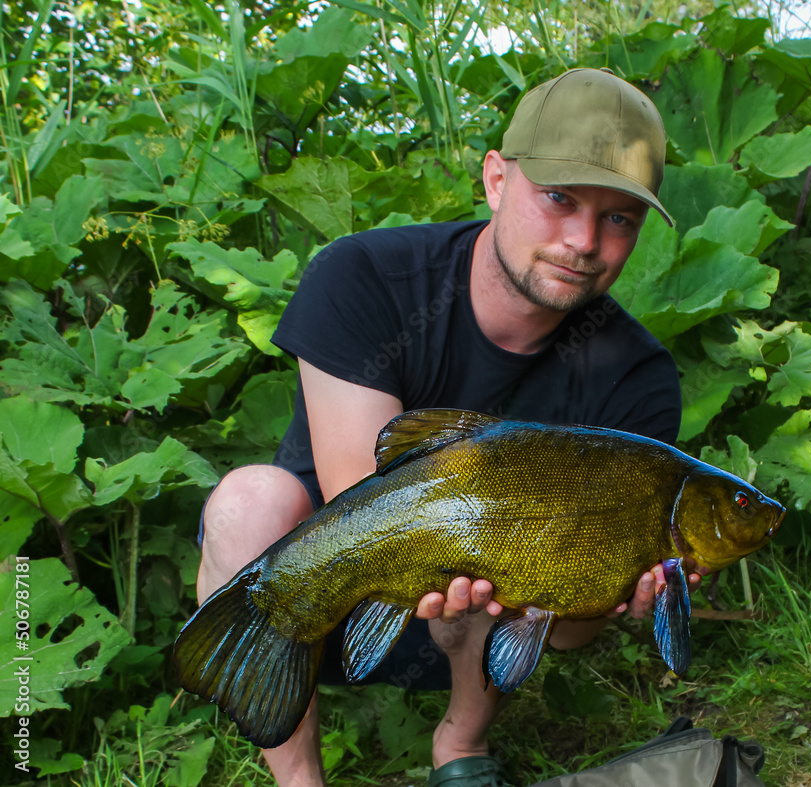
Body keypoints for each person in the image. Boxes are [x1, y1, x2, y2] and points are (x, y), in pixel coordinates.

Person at [195, 67, 700, 787]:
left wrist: (624, 585)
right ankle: (299, 777)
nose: (584, 239)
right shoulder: (362, 276)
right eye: (559, 198)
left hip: (484, 628)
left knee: (505, 540)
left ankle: (460, 746)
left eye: (619, 217)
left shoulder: (635, 376)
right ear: (496, 180)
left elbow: (572, 631)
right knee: (248, 502)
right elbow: (372, 502)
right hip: (336, 579)